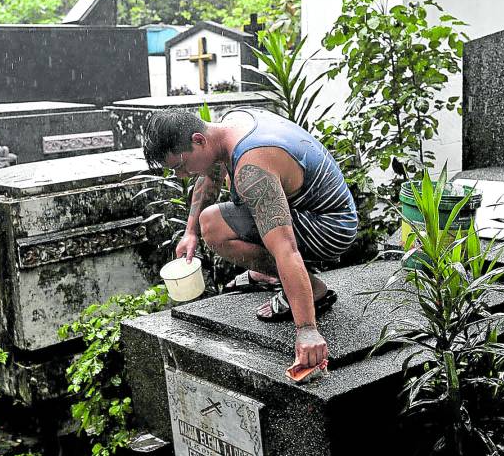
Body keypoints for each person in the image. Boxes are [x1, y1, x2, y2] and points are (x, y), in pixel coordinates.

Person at [143, 107, 357, 378]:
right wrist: (190, 232)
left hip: (330, 227)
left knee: (217, 230)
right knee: (207, 223)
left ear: (198, 140)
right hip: (313, 212)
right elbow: (210, 175)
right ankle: (266, 275)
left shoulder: (253, 166)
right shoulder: (226, 129)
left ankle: (312, 289)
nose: (181, 175)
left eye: (180, 166)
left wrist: (307, 330)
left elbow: (286, 249)